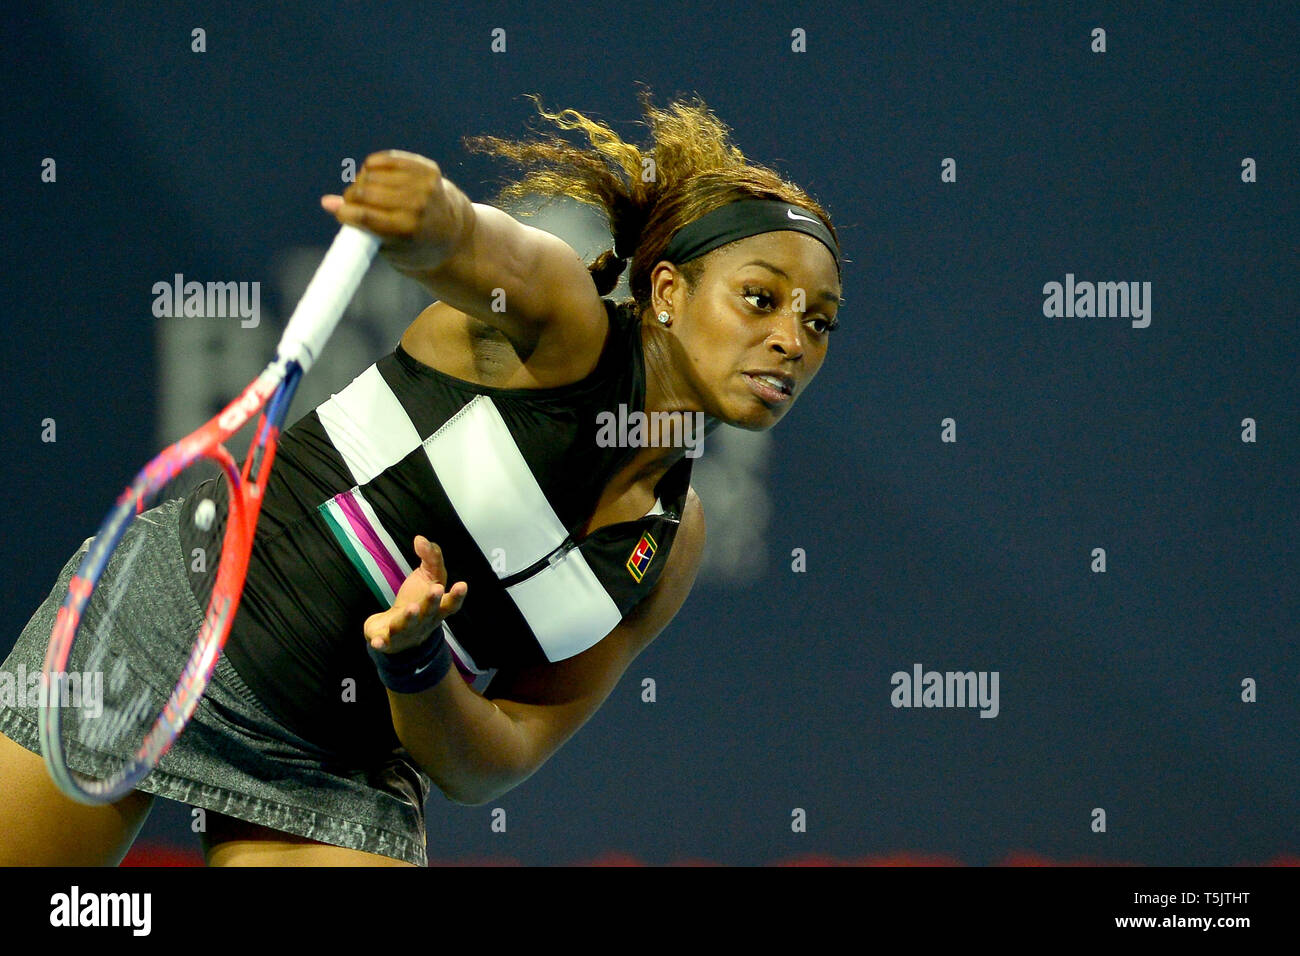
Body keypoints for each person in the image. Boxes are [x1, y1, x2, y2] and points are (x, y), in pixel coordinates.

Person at [0, 90, 842, 866]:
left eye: (819, 322)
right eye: (761, 299)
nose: (792, 341)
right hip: (169, 631)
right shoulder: (555, 322)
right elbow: (475, 245)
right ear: (665, 290)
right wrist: (427, 211)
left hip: (337, 772)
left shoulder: (671, 539)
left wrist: (418, 663)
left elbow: (497, 758)